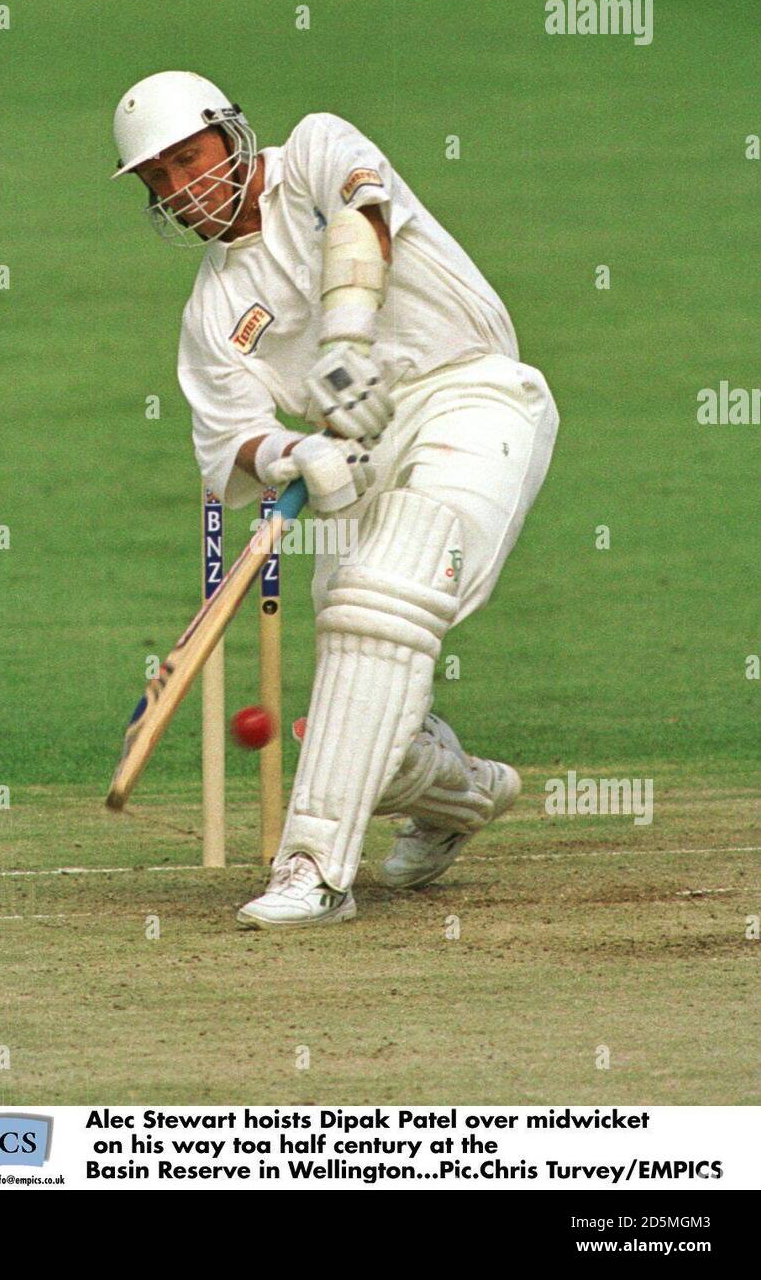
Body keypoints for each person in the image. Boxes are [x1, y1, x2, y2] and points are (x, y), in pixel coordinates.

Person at [112, 70, 559, 930]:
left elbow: (364, 217)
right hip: (356, 460)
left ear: (230, 132)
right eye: (157, 180)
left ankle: (313, 869)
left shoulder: (316, 149)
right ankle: (460, 797)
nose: (180, 188)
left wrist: (347, 344)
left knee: (377, 602)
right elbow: (225, 449)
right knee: (366, 713)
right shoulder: (212, 310)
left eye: (187, 159)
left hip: (470, 394)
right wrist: (298, 450)